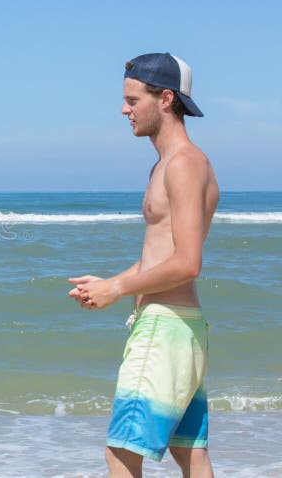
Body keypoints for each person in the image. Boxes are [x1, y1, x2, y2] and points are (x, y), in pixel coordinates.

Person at [68, 53, 218, 477]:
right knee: (189, 452)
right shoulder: (171, 164)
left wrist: (117, 290)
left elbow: (187, 263)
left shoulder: (185, 164)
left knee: (121, 453)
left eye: (133, 100)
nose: (124, 109)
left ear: (166, 98)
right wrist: (110, 283)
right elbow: (161, 257)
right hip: (181, 328)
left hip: (164, 328)